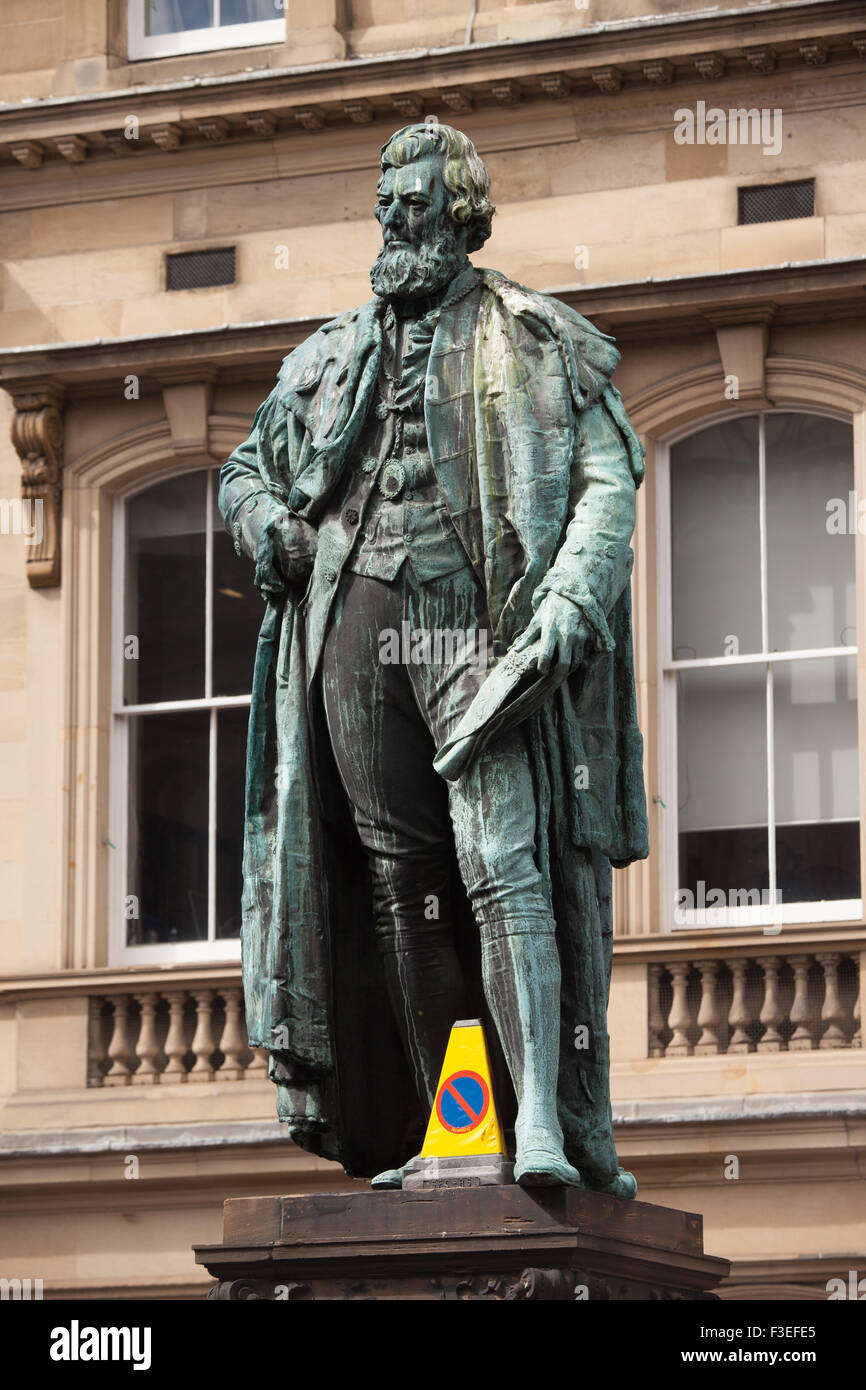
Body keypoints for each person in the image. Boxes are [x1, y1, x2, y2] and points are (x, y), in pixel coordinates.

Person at [219, 121, 648, 1193]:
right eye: (383, 197)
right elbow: (239, 471)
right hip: (353, 620)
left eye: (409, 198)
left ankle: (541, 1121)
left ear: (459, 209)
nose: (390, 215)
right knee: (398, 880)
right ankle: (460, 1129)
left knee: (501, 863)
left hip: (477, 620)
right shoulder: (323, 358)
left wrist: (565, 596)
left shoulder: (536, 336)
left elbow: (607, 477)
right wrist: (270, 525)